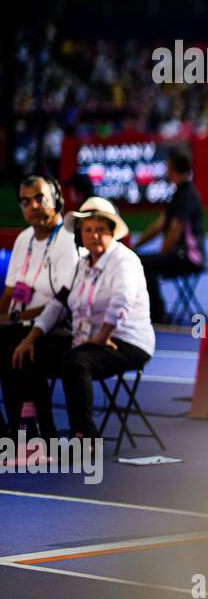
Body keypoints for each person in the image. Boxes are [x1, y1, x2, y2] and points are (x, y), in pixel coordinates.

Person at [10, 198, 154, 440]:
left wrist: (102, 336)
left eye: (100, 230)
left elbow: (122, 302)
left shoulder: (124, 260)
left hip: (125, 342)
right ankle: (41, 434)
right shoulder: (81, 264)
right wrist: (31, 338)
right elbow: (58, 304)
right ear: (80, 234)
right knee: (30, 353)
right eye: (88, 230)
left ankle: (85, 437)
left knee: (76, 362)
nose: (94, 235)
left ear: (112, 232)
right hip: (88, 340)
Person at [0, 175, 81, 439]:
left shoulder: (68, 239)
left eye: (39, 198)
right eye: (25, 201)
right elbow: (11, 290)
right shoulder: (24, 239)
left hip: (57, 328)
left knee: (15, 350)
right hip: (18, 323)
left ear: (56, 198)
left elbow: (62, 303)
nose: (33, 206)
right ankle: (8, 431)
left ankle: (40, 433)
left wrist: (15, 317)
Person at [135, 149, 207, 324]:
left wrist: (162, 252)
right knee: (137, 260)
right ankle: (152, 311)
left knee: (145, 266)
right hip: (180, 253)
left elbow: (175, 229)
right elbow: (160, 225)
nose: (166, 170)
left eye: (167, 167)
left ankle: (158, 314)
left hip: (188, 257)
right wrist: (135, 247)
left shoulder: (185, 194)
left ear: (173, 169)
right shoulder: (179, 193)